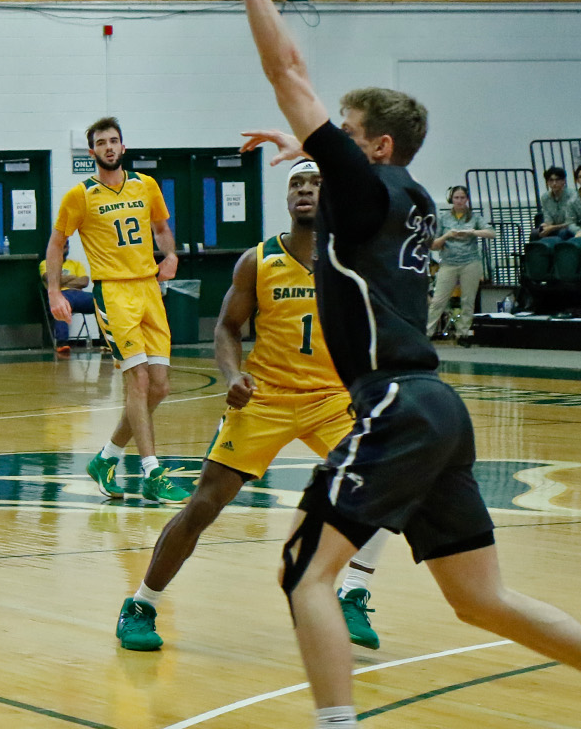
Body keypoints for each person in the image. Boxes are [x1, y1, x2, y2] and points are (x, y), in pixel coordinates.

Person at [227, 0, 581, 729]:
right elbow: (352, 169)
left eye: (345, 131)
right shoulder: (408, 193)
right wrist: (320, 153)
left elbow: (288, 70)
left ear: (376, 146)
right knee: (481, 599)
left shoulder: (366, 187)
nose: (327, 132)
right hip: (439, 408)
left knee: (305, 571)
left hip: (397, 402)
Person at [114, 160, 392, 655]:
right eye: (296, 185)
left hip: (331, 400)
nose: (305, 190)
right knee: (203, 504)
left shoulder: (351, 262)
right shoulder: (257, 261)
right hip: (265, 398)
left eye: (315, 183)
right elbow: (226, 326)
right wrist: (231, 373)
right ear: (287, 199)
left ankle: (353, 592)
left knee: (382, 479)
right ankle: (140, 603)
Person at [47, 117, 182, 502]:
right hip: (114, 294)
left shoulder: (146, 185)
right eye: (101, 142)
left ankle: (106, 458)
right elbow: (57, 245)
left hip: (150, 291)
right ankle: (152, 472)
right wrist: (55, 291)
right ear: (92, 151)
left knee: (160, 387)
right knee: (137, 381)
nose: (109, 147)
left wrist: (170, 254)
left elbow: (161, 228)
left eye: (114, 141)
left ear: (123, 147)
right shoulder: (80, 196)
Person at [426, 185, 495, 343]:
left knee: (467, 299)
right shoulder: (443, 218)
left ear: (467, 199)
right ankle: (427, 332)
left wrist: (472, 232)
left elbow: (491, 233)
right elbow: (433, 245)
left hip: (470, 263)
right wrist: (447, 235)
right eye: (456, 198)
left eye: (462, 198)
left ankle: (463, 333)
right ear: (452, 199)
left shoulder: (475, 217)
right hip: (449, 263)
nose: (459, 201)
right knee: (438, 300)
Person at [42, 255, 95, 353]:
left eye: (66, 246)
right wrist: (73, 278)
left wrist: (60, 281)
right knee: (61, 302)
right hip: (59, 294)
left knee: (99, 300)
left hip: (78, 294)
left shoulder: (76, 263)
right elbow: (50, 280)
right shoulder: (46, 263)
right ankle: (62, 343)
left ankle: (106, 341)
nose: (64, 249)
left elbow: (84, 282)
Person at [534, 166, 577, 241]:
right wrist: (545, 225)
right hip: (554, 228)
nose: (554, 183)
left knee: (563, 233)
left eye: (557, 180)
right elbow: (548, 219)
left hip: (571, 228)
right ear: (547, 182)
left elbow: (571, 222)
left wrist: (552, 228)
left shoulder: (572, 195)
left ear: (564, 181)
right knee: (536, 233)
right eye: (551, 180)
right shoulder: (545, 197)